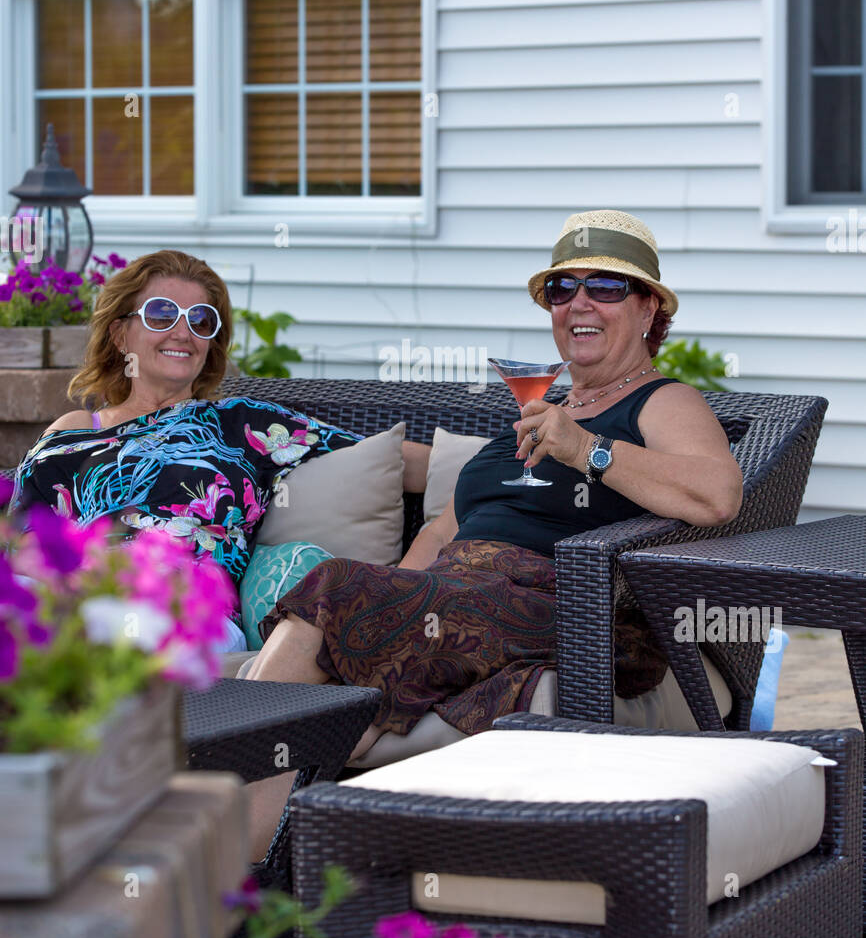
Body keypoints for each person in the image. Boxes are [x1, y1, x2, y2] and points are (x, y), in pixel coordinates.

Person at [243, 210, 743, 858]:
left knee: (328, 591)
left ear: (648, 309)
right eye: (563, 290)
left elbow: (717, 494)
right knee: (340, 626)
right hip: (457, 600)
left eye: (606, 287)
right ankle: (279, 862)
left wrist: (588, 448)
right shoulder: (546, 410)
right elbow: (442, 534)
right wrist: (398, 610)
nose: (579, 304)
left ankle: (245, 885)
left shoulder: (660, 401)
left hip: (561, 603)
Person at [9, 249, 370, 650]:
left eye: (200, 320)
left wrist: (442, 529)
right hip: (77, 603)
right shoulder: (75, 429)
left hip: (188, 616)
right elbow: (25, 545)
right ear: (120, 333)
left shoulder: (244, 423)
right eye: (162, 314)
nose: (183, 332)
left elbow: (394, 458)